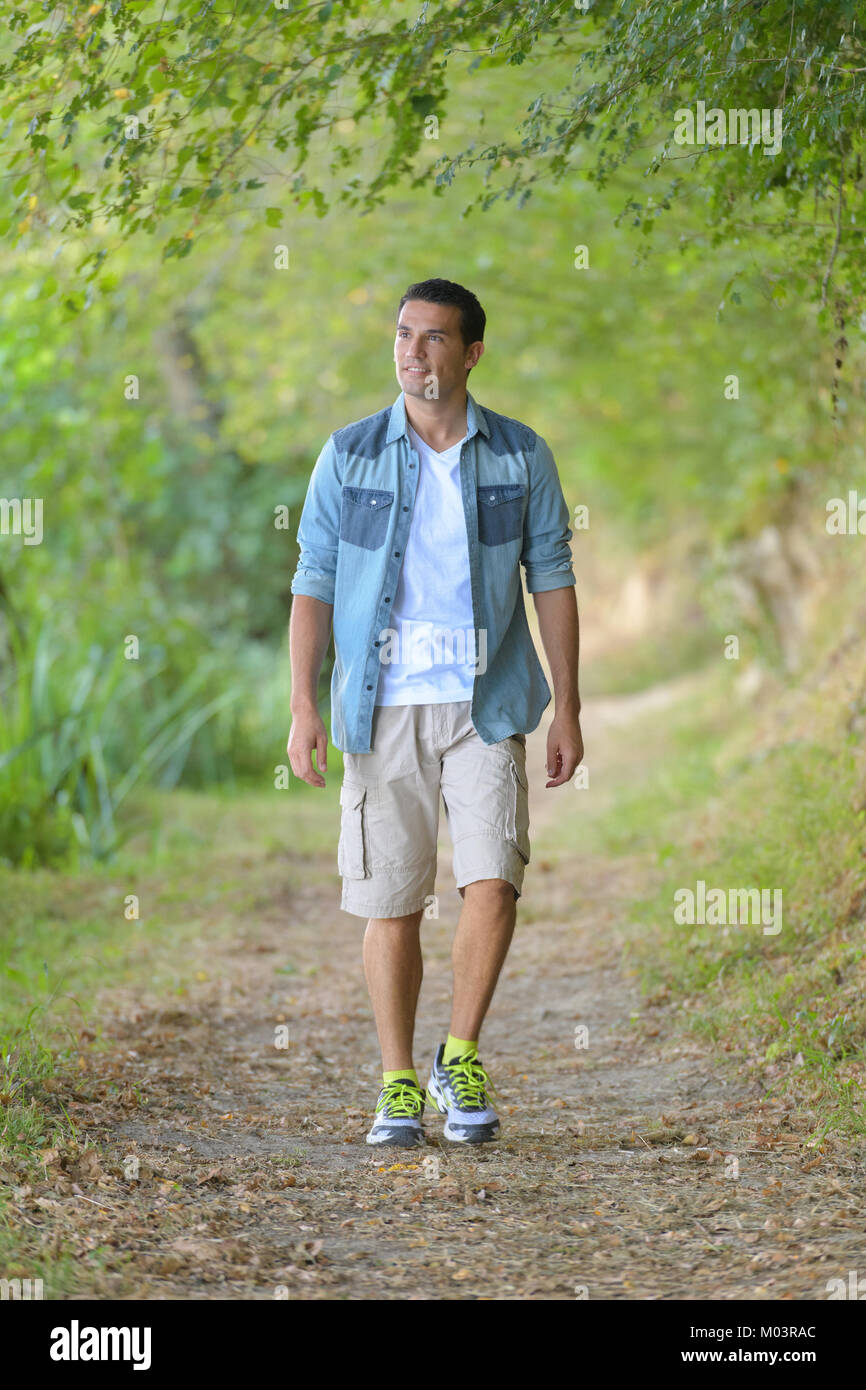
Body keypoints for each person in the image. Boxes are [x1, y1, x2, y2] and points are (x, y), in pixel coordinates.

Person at [287, 277, 583, 1147]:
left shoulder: (520, 454)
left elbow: (553, 579)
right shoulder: (349, 455)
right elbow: (312, 581)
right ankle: (397, 1083)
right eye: (403, 335)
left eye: (432, 339)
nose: (412, 352)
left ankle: (461, 1055)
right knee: (393, 900)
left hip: (486, 701)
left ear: (471, 353)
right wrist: (304, 702)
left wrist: (569, 707)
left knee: (494, 879)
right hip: (382, 708)